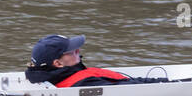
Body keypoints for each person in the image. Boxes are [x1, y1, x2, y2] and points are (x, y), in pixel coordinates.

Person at [24, 35, 171, 87]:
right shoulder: (84, 83)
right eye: (73, 51)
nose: (78, 51)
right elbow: (128, 88)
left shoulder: (62, 74)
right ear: (58, 64)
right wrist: (168, 84)